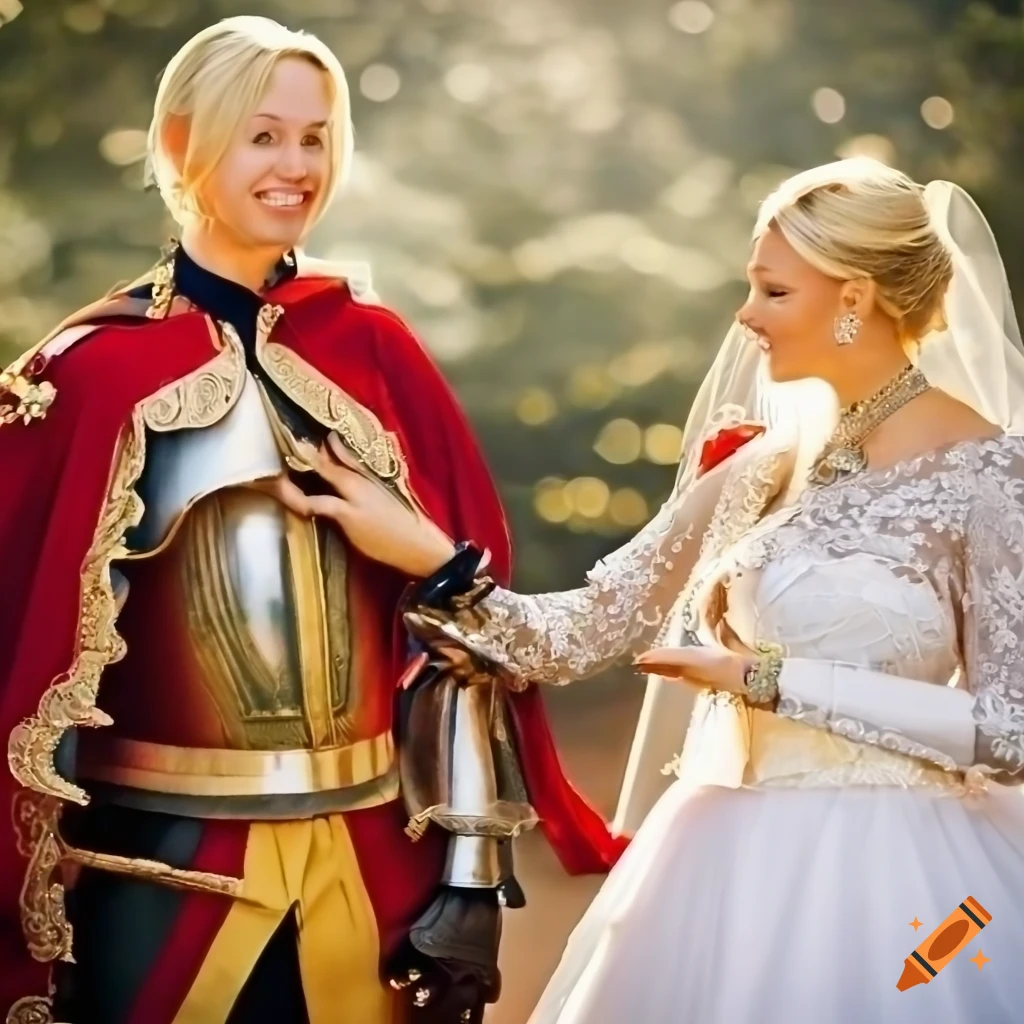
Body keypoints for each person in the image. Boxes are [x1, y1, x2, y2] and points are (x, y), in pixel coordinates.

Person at [0, 16, 625, 1024]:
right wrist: (40, 903)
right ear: (177, 145)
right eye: (263, 135)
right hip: (154, 876)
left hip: (379, 865)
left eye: (315, 136)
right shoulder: (87, 373)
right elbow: (29, 659)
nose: (296, 165)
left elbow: (461, 630)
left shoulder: (374, 350)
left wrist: (470, 872)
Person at [307, 157, 1024, 1022]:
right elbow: (580, 632)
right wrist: (428, 555)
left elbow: (1008, 729)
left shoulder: (991, 474)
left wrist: (763, 679)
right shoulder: (764, 469)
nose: (746, 314)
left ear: (855, 299)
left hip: (907, 876)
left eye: (772, 291)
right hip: (726, 860)